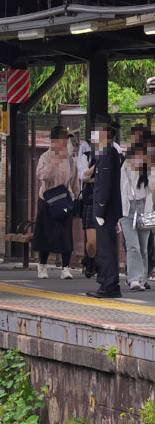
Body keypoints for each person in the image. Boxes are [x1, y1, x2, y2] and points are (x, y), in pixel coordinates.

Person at [34, 126, 80, 279]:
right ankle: (42, 265)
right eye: (62, 138)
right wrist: (54, 163)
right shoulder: (45, 157)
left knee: (65, 233)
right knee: (45, 234)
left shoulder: (69, 158)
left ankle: (65, 268)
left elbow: (74, 180)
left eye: (66, 139)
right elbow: (40, 175)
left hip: (64, 200)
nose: (65, 142)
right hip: (47, 199)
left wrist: (75, 196)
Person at [87, 115, 123, 299]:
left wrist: (100, 208)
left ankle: (110, 285)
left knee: (107, 249)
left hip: (106, 211)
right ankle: (105, 282)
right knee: (104, 248)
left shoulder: (108, 153)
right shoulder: (105, 152)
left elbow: (107, 184)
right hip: (106, 210)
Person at [119, 142, 155, 290]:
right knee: (132, 245)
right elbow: (121, 191)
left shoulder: (149, 171)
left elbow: (151, 191)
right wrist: (119, 214)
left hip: (144, 208)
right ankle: (134, 279)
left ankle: (142, 278)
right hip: (128, 209)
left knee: (143, 247)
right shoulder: (125, 169)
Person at [77, 138, 98, 277]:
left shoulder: (114, 149)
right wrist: (95, 170)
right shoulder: (86, 149)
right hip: (90, 197)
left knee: (105, 238)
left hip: (107, 198)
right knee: (91, 241)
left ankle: (97, 264)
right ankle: (91, 260)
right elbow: (82, 176)